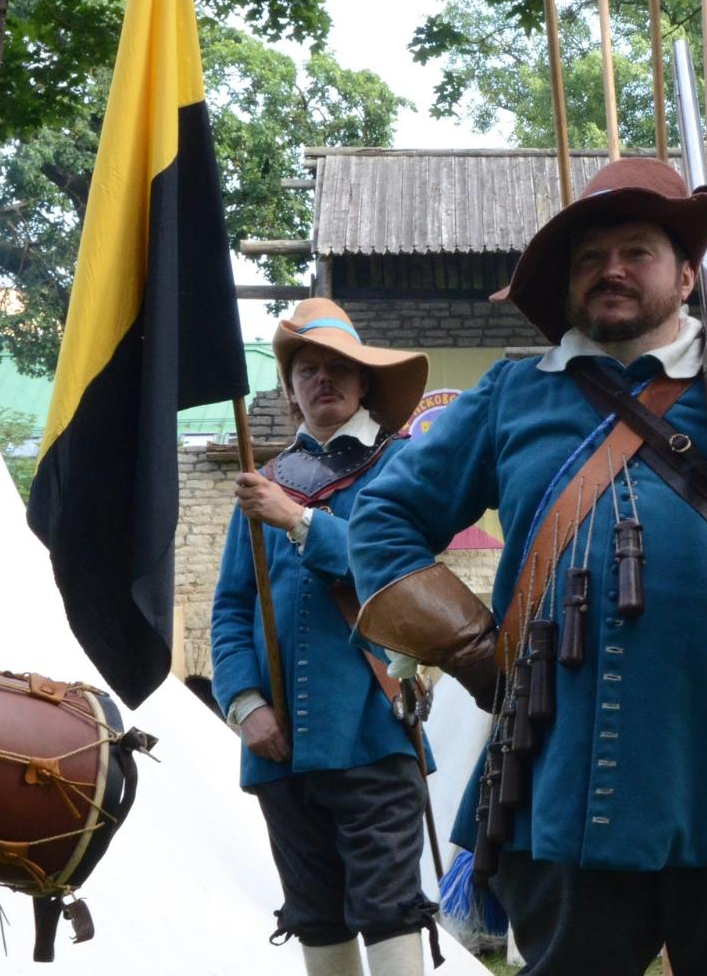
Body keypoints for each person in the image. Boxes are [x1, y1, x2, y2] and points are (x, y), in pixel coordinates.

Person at [344, 157, 707, 976]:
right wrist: (471, 649)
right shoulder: (512, 395)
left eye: (636, 250)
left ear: (686, 275)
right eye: (588, 256)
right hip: (566, 769)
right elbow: (384, 519)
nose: (610, 268)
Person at [212, 299, 437, 976]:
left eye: (339, 368)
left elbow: (398, 575)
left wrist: (298, 519)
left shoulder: (401, 467)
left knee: (389, 908)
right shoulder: (267, 481)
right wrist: (246, 705)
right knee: (316, 913)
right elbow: (228, 609)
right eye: (308, 369)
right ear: (290, 389)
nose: (324, 379)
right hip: (280, 751)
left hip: (371, 731)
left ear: (364, 382)